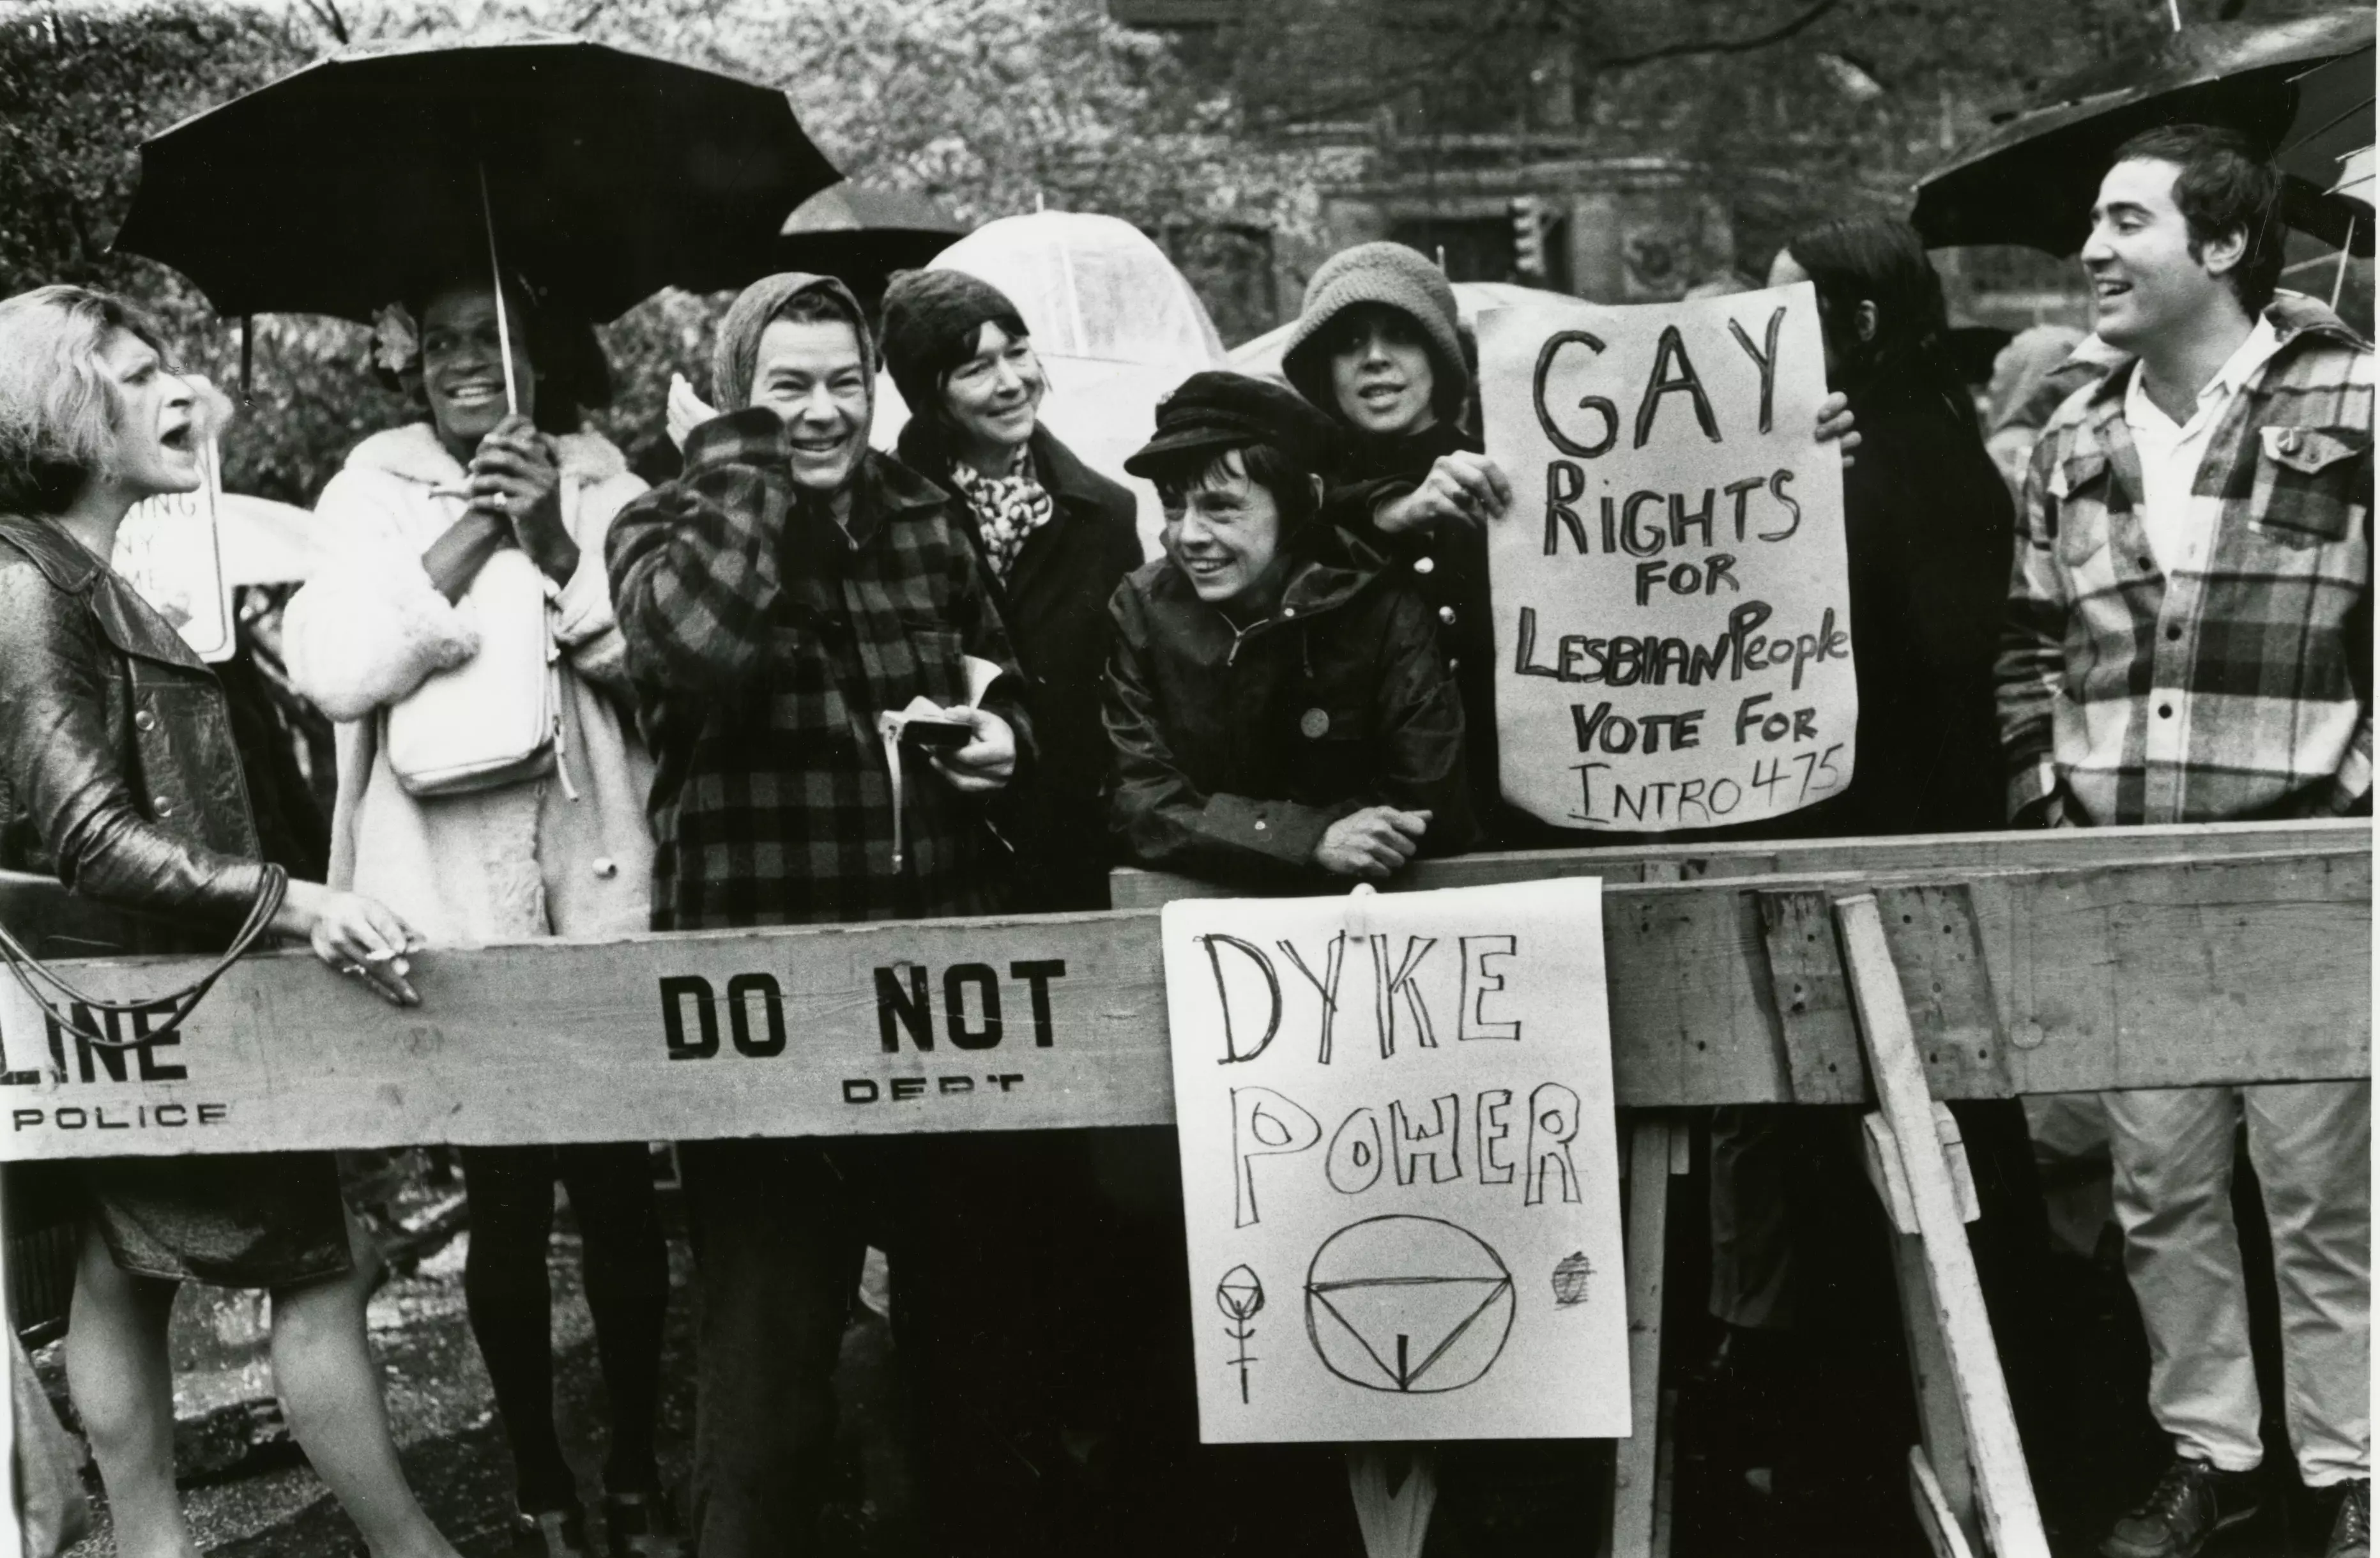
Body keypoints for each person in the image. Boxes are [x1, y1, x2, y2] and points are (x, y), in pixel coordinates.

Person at [0, 283, 461, 1558]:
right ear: (67, 407)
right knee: (315, 1262)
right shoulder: (31, 583)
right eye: (142, 375)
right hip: (157, 993)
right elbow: (87, 832)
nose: (183, 391)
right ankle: (412, 1547)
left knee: (122, 1267)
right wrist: (297, 901)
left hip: (151, 998)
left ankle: (154, 1547)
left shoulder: (84, 567)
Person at [604, 273, 1032, 1557]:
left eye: (845, 380)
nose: (826, 409)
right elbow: (697, 652)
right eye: (788, 385)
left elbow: (1003, 664)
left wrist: (1009, 734)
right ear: (736, 399)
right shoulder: (659, 527)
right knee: (763, 1396)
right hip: (763, 1013)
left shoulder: (927, 515)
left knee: (967, 1368)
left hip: (934, 998)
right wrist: (738, 468)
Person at [1998, 124, 2370, 1558]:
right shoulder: (2070, 431)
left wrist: (2364, 795)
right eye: (2095, 222)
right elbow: (2030, 644)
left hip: (2307, 864)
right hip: (2124, 875)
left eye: (2127, 221)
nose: (2094, 248)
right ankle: (2215, 1455)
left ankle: (2356, 1469)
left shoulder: (2358, 392)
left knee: (2325, 1188)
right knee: (2156, 1188)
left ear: (2222, 245)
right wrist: (2047, 809)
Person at [281, 275, 677, 1558]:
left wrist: (558, 538)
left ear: (544, 359)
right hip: (445, 891)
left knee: (618, 1197)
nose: (466, 365)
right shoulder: (367, 493)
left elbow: (661, 664)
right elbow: (332, 665)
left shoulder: (614, 483)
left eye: (492, 343)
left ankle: (632, 1466)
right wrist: (464, 540)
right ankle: (539, 1479)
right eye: (442, 344)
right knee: (505, 1199)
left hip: (597, 878)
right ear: (409, 365)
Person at [1274, 240, 1860, 836]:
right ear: (1323, 368)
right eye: (1349, 342)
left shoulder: (1530, 470)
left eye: (1400, 335)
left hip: (1529, 821)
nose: (1374, 358)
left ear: (1439, 356)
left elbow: (1675, 576)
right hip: (1368, 832)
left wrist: (1783, 468)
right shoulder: (1291, 498)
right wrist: (1388, 515)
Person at [1106, 369, 1475, 889]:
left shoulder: (1382, 605)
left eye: (1220, 507)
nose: (1187, 535)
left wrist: (1240, 833)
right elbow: (1137, 799)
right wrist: (1310, 839)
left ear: (1302, 500)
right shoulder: (1142, 606)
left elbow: (1428, 795)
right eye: (1173, 505)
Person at [880, 266, 1144, 913]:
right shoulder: (885, 512)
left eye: (1018, 352)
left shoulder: (1104, 515)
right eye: (975, 368)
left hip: (1072, 856)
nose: (1011, 383)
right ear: (928, 395)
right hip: (940, 860)